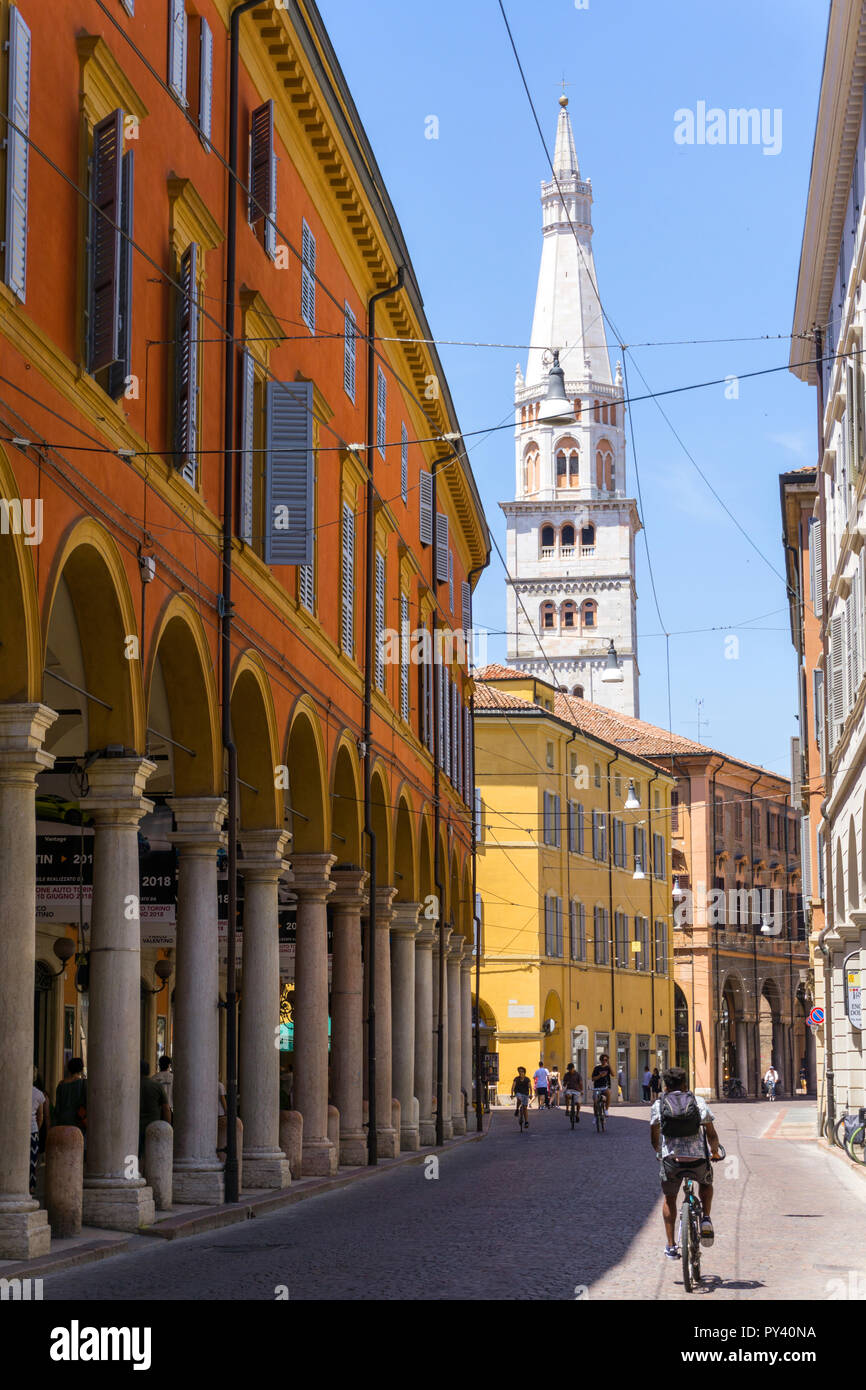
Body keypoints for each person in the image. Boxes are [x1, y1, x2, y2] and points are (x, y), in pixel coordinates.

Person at [650, 1065, 723, 1260]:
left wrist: (660, 1153)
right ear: (684, 1084)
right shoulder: (698, 1102)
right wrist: (715, 1151)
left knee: (669, 1198)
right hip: (697, 1160)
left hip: (671, 1161)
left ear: (665, 1086)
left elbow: (655, 1138)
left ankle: (671, 1245)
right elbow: (711, 1134)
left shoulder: (659, 1105)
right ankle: (706, 1218)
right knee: (706, 1183)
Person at [139, 1059, 171, 1158]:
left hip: (136, 1126)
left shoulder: (132, 1085)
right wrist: (167, 1128)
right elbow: (166, 1108)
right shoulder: (156, 1086)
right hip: (154, 1124)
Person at [53, 1056, 87, 1133]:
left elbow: (57, 1107)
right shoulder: (83, 1083)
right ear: (81, 1069)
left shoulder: (61, 1084)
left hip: (63, 1122)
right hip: (78, 1122)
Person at [31, 1069, 46, 1193]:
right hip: (33, 1131)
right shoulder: (39, 1094)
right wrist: (37, 1128)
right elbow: (40, 1116)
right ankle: (31, 1186)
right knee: (32, 1160)